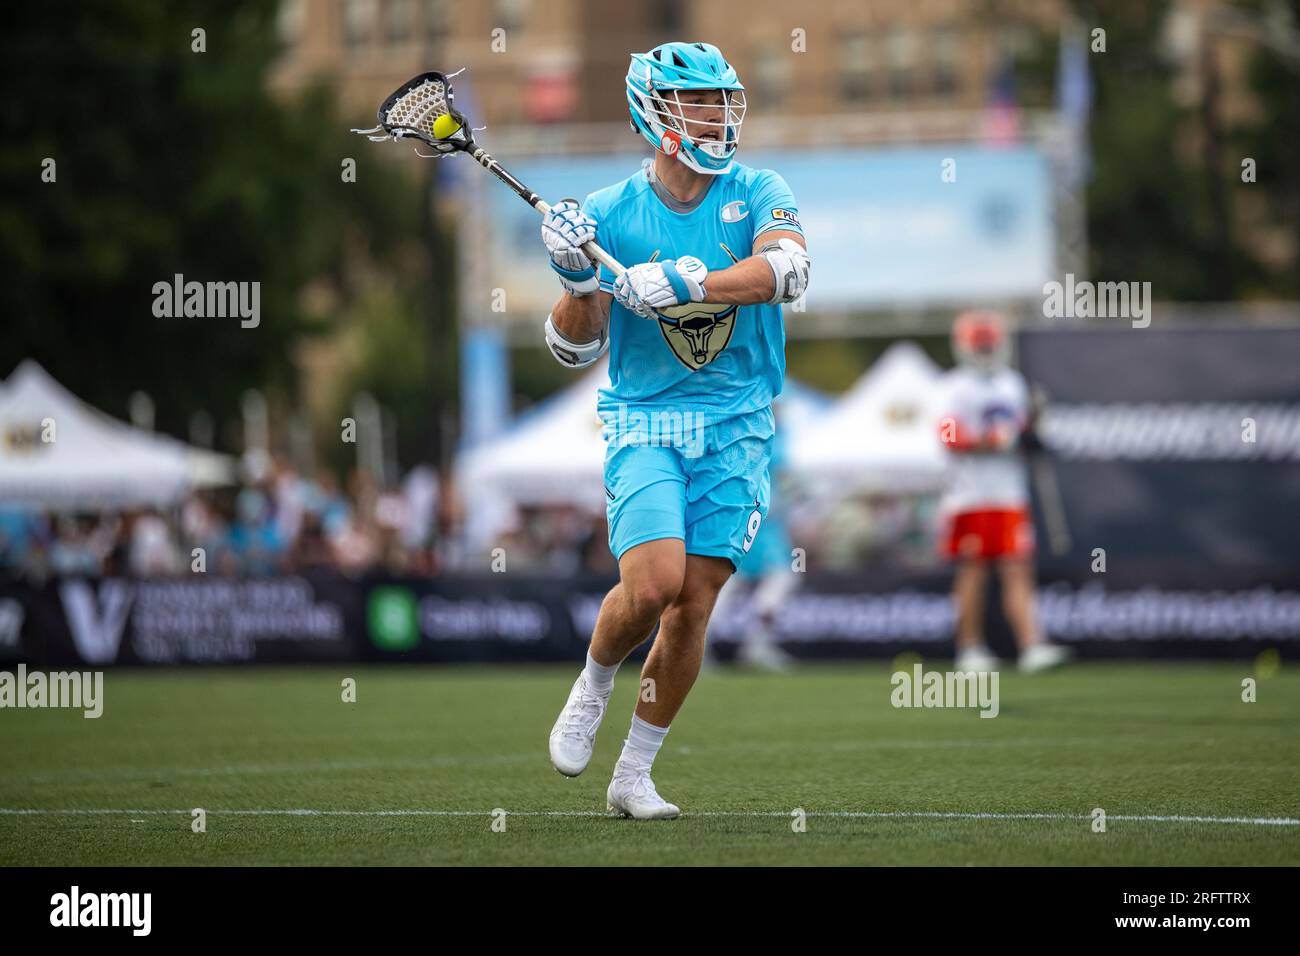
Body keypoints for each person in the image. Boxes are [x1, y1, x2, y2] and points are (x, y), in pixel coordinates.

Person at [540, 41, 810, 819]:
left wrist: (693, 279)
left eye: (724, 100)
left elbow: (789, 271)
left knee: (694, 601)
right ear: (656, 115)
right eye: (701, 102)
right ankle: (592, 686)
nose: (719, 115)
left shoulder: (759, 187)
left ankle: (632, 777)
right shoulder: (606, 212)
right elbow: (573, 345)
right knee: (653, 584)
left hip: (737, 424)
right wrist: (576, 277)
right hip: (648, 419)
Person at [934, 310, 1069, 674]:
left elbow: (1024, 431)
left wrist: (1031, 436)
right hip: (970, 496)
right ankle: (969, 647)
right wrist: (990, 442)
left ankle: (1031, 644)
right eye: (979, 346)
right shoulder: (953, 387)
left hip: (1009, 494)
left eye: (990, 345)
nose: (985, 352)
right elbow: (947, 436)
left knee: (1017, 568)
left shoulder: (1013, 384)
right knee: (974, 570)